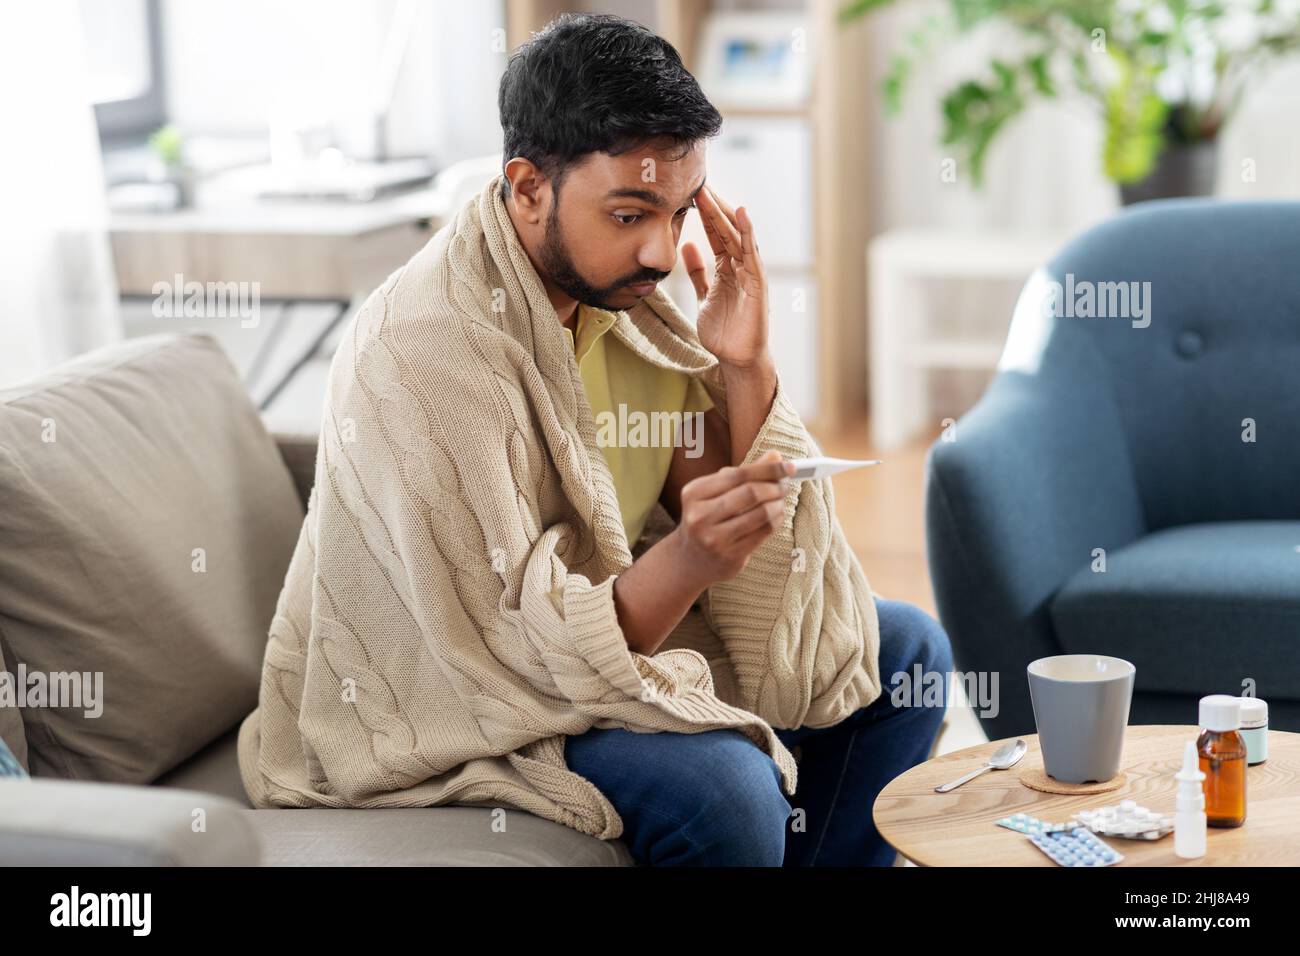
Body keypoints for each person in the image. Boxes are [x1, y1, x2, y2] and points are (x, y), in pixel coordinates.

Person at [499, 13, 953, 866]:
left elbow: (714, 511)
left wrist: (745, 366)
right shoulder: (441, 350)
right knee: (728, 794)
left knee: (909, 652)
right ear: (528, 189)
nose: (662, 251)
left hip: (628, 638)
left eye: (677, 214)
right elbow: (507, 651)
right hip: (521, 692)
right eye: (631, 213)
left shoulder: (632, 305)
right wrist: (688, 560)